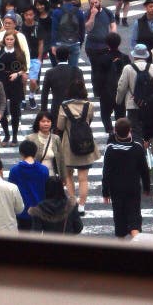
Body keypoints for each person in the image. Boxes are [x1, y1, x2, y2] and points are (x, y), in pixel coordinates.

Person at [56, 78, 100, 216]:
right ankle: (82, 205)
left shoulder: (64, 107)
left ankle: (73, 202)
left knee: (68, 175)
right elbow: (89, 121)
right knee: (83, 178)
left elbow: (60, 126)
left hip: (69, 145)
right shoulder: (89, 105)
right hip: (85, 143)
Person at [101, 118, 151, 237]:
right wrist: (146, 187)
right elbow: (144, 170)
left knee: (119, 219)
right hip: (133, 187)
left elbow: (106, 172)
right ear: (130, 130)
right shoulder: (137, 148)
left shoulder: (110, 149)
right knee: (134, 219)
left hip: (116, 189)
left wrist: (105, 192)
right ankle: (136, 241)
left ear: (115, 131)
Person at [9, 140, 50, 230]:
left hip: (22, 212)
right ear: (35, 152)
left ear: (21, 153)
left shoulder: (14, 170)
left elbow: (11, 192)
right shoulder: (44, 170)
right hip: (39, 211)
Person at [41, 46, 84, 124]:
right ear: (68, 56)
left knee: (57, 130)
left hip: (57, 108)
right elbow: (82, 91)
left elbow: (44, 94)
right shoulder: (77, 71)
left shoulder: (50, 73)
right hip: (74, 108)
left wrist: (44, 111)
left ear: (56, 57)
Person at [50, 0, 85, 67]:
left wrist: (53, 44)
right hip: (75, 42)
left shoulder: (57, 12)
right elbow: (82, 29)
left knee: (60, 68)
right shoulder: (79, 12)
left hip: (61, 43)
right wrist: (80, 41)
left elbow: (54, 30)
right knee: (73, 68)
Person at [24, 111, 62, 177]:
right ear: (38, 123)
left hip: (52, 177)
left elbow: (61, 159)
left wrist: (64, 177)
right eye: (43, 121)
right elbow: (25, 159)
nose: (46, 124)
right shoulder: (30, 139)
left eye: (48, 121)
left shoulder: (56, 138)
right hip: (35, 176)